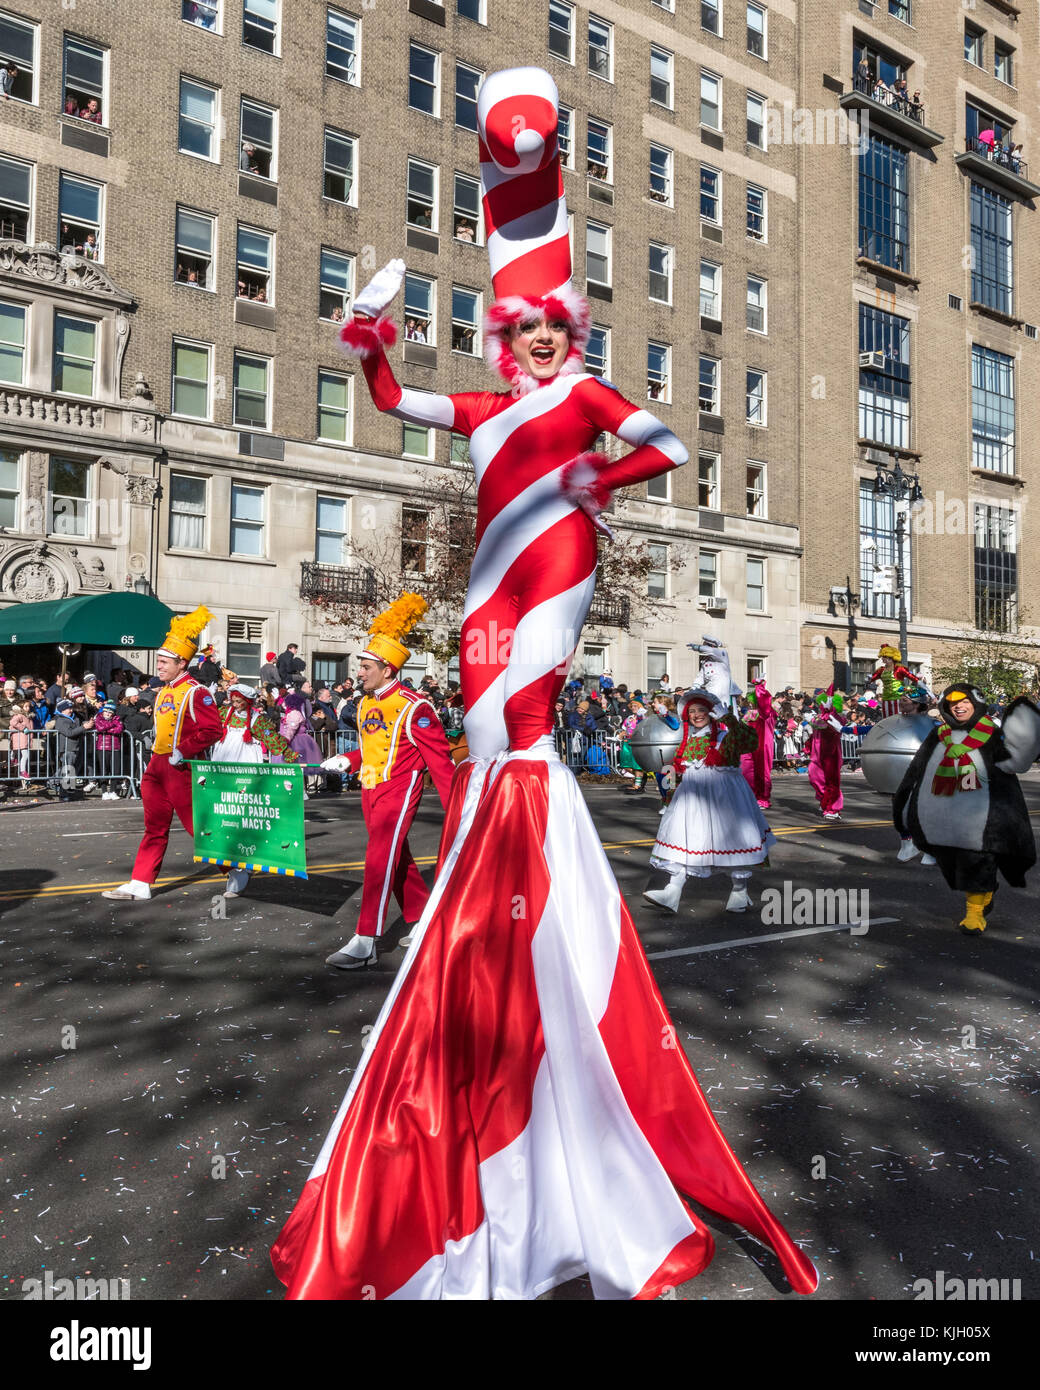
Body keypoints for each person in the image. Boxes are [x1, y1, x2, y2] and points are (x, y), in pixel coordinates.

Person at [274, 70, 815, 1304]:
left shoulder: (585, 397)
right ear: (500, 339)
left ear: (570, 334)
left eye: (554, 330)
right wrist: (367, 348)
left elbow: (672, 448)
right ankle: (477, 861)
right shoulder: (478, 403)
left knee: (522, 721)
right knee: (478, 723)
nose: (540, 343)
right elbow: (395, 399)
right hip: (484, 574)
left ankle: (506, 864)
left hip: (557, 556)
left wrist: (597, 487)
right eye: (524, 333)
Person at [319, 595, 456, 969]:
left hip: (399, 790)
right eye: (360, 666)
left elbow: (439, 762)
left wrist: (459, 809)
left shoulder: (416, 706)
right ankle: (424, 916)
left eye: (365, 667)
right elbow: (372, 748)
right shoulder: (364, 703)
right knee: (398, 859)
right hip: (369, 788)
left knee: (379, 858)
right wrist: (346, 759)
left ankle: (366, 940)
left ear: (388, 669)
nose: (359, 672)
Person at [895, 684, 1040, 933]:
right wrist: (903, 801)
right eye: (953, 704)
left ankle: (974, 914)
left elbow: (1015, 763)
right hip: (942, 815)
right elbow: (917, 768)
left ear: (976, 704)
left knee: (977, 859)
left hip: (981, 816)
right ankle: (985, 890)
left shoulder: (991, 735)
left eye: (964, 702)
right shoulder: (939, 734)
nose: (959, 707)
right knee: (951, 863)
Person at [102, 607, 223, 902]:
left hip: (182, 767)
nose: (159, 666)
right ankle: (141, 881)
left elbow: (212, 731)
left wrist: (183, 750)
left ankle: (234, 867)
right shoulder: (163, 690)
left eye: (164, 661)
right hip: (157, 764)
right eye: (158, 660)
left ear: (182, 662)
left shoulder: (197, 692)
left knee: (198, 826)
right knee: (154, 826)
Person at [643, 645, 773, 916]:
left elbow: (751, 742)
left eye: (701, 710)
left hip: (726, 798)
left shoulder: (727, 735)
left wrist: (728, 718)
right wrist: (669, 794)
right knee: (685, 839)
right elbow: (676, 768)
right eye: (692, 711)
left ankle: (739, 893)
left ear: (712, 712)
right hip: (690, 798)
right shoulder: (688, 740)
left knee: (733, 843)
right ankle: (672, 891)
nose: (696, 714)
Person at [211, 683, 300, 897]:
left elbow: (271, 737)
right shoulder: (223, 713)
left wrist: (288, 754)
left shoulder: (257, 720)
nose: (235, 702)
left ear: (247, 701)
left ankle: (246, 862)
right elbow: (206, 726)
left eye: (239, 699)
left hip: (246, 765)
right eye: (233, 698)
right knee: (223, 816)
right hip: (223, 764)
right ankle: (237, 863)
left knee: (245, 815)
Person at [807, 688, 846, 820]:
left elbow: (835, 727)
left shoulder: (836, 718)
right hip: (817, 755)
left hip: (831, 754)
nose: (820, 705)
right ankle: (826, 800)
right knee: (814, 777)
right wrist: (808, 746)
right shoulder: (820, 716)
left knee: (832, 782)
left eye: (822, 703)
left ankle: (833, 808)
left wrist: (817, 720)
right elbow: (815, 732)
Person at [740, 678, 776, 809]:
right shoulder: (750, 714)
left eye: (751, 701)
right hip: (749, 746)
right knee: (746, 771)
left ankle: (763, 798)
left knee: (762, 772)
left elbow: (764, 705)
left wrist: (760, 688)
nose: (749, 704)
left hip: (763, 746)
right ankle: (751, 795)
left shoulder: (767, 713)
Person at [93, 698, 125, 799]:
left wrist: (108, 728)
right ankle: (104, 792)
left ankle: (113, 791)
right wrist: (111, 725)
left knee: (115, 770)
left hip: (115, 747)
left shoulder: (117, 719)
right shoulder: (99, 717)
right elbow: (100, 727)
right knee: (104, 769)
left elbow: (119, 729)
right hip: (102, 747)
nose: (107, 713)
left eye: (110, 712)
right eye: (106, 711)